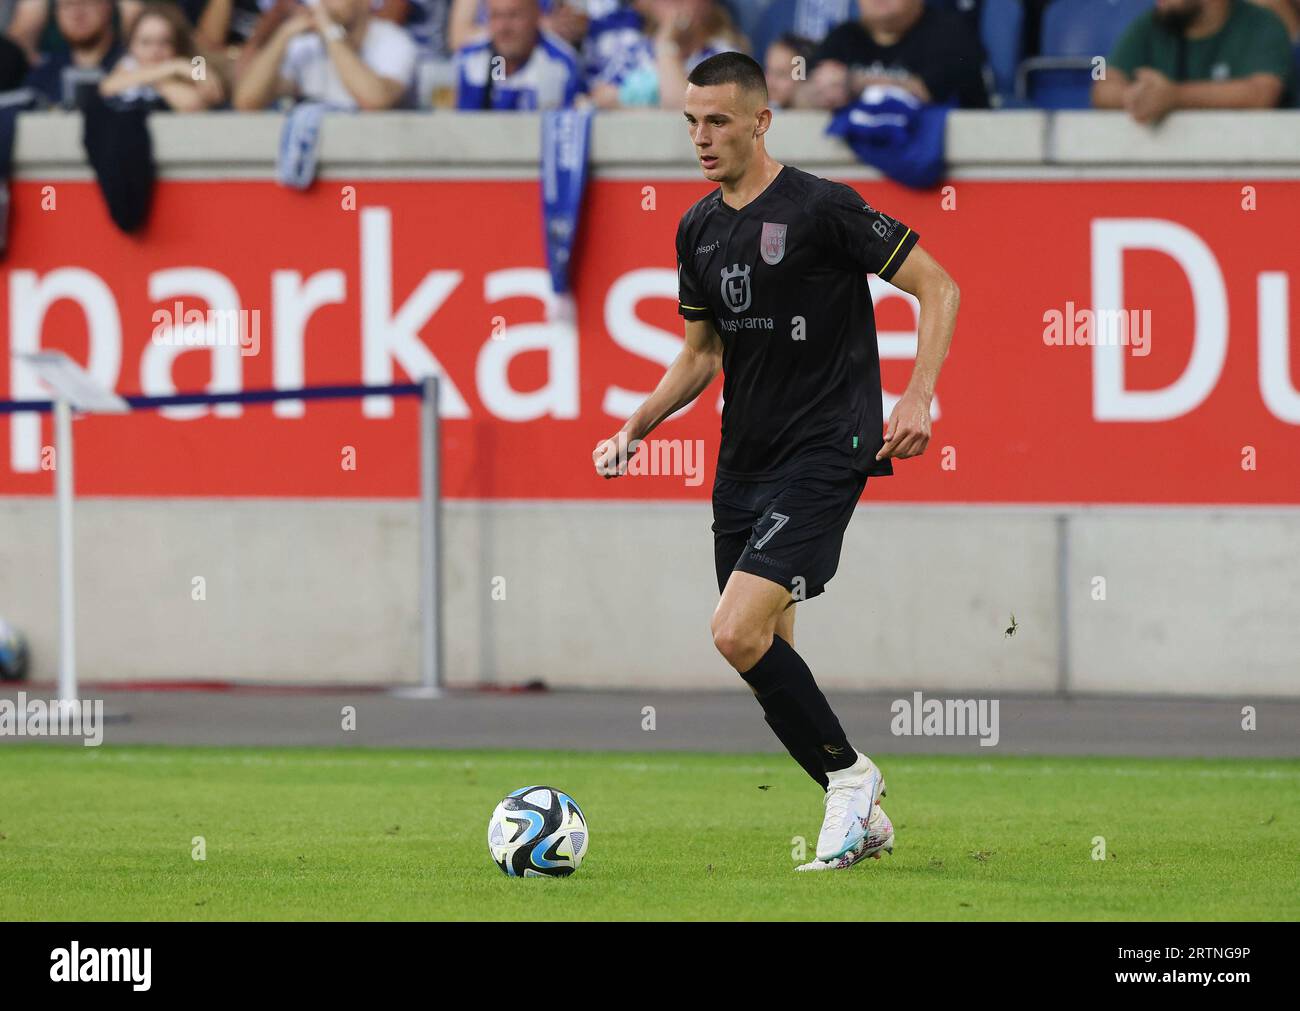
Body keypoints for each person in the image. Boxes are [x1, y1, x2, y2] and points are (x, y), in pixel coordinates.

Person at [591, 51, 960, 872]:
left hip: (828, 448)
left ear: (761, 121)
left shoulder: (823, 208)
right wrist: (636, 426)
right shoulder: (696, 227)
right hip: (743, 464)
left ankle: (851, 780)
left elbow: (939, 286)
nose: (701, 137)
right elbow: (701, 354)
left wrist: (917, 396)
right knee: (764, 653)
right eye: (691, 122)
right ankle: (861, 811)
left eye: (718, 121)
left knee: (733, 629)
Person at [1092, 0, 1294, 121]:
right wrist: (1138, 96)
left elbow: (1261, 95)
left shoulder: (1261, 24)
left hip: (1252, 165)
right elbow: (1103, 88)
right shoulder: (1152, 23)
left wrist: (1174, 96)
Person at [233, 0, 419, 109]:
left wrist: (331, 32)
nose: (325, 3)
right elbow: (247, 101)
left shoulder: (393, 40)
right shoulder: (308, 45)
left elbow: (376, 100)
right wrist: (284, 34)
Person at [803, 0, 987, 110]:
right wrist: (818, 93)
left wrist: (853, 83)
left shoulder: (950, 31)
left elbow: (926, 92)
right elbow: (802, 94)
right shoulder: (843, 36)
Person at [454, 0, 581, 110]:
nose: (503, 27)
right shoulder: (471, 59)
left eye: (513, 15)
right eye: (496, 16)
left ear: (536, 16)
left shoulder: (560, 64)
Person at [99, 1, 227, 108]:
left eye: (164, 42)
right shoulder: (128, 65)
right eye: (146, 42)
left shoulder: (194, 65)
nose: (155, 51)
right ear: (131, 45)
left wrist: (163, 77)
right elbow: (106, 89)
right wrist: (172, 67)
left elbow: (193, 104)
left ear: (178, 45)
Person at [23, 0, 122, 106]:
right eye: (67, 5)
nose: (77, 14)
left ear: (108, 6)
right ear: (56, 14)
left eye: (87, 3)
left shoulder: (130, 66)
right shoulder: (42, 77)